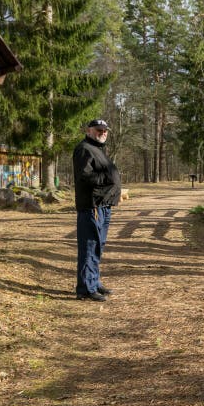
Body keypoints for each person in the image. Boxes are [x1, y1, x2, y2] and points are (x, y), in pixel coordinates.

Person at [73, 119, 121, 301]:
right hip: (92, 206)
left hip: (103, 205)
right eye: (99, 130)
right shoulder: (84, 149)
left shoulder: (97, 149)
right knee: (89, 246)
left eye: (105, 130)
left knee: (98, 246)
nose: (103, 133)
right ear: (89, 130)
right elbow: (84, 176)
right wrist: (109, 176)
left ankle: (94, 281)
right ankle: (85, 288)